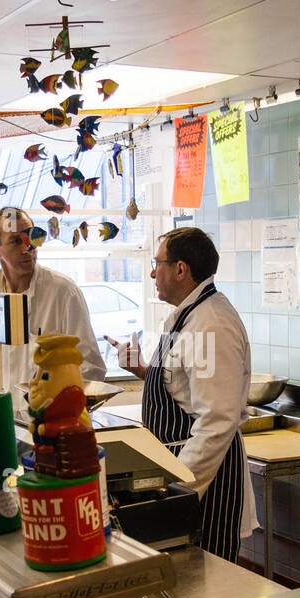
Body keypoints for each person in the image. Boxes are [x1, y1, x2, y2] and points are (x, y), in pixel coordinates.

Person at [107, 228, 257, 561]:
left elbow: (216, 422)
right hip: (179, 467)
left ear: (180, 269)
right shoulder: (187, 316)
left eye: (156, 263)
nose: (151, 273)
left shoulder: (211, 323)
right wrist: (142, 370)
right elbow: (184, 386)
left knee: (206, 584)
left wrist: (179, 490)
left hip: (207, 482)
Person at [0, 207, 106, 388]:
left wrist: (54, 406)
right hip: (3, 414)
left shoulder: (64, 291)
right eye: (16, 241)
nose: (27, 248)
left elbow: (91, 369)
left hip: (53, 414)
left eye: (31, 237)